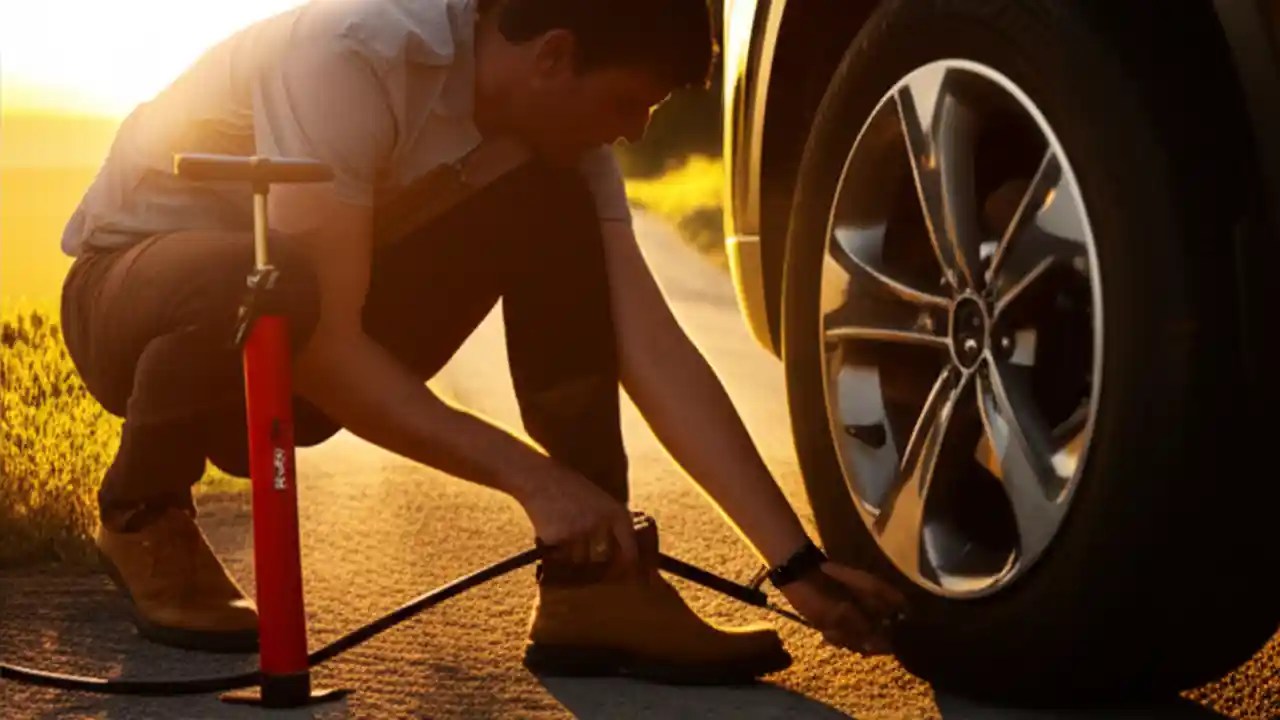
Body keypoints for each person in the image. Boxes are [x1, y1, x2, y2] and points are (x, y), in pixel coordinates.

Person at [58, 0, 906, 684]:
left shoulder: (552, 131)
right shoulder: (353, 52)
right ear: (552, 56)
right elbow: (321, 346)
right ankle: (144, 512)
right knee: (277, 277)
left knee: (550, 207)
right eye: (628, 104)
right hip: (137, 306)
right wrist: (533, 481)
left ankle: (596, 581)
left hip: (292, 335)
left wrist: (794, 562)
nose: (632, 134)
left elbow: (644, 338)